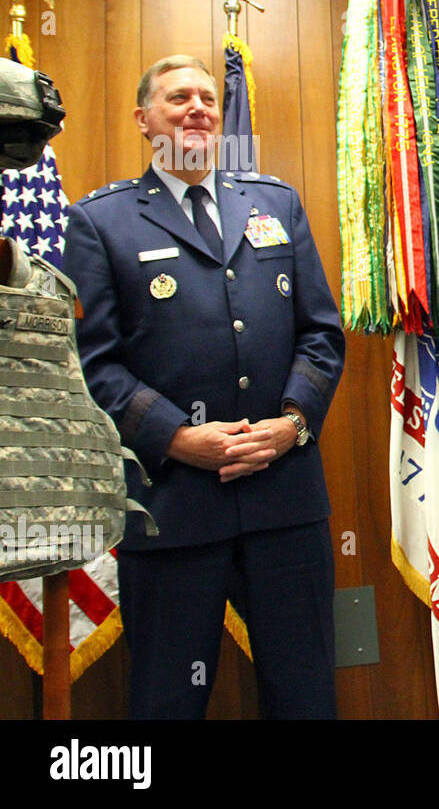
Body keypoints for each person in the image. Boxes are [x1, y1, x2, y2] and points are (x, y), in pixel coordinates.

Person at [63, 55, 345, 718]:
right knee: (166, 701)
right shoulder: (101, 222)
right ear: (143, 120)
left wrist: (291, 424)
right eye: (177, 98)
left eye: (207, 98)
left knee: (305, 696)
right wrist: (179, 438)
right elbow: (93, 364)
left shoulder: (274, 202)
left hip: (286, 502)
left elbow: (321, 333)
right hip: (174, 508)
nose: (197, 108)